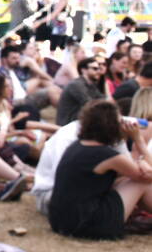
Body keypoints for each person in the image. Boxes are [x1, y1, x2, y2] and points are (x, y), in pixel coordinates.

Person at [49, 99, 152, 240]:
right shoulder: (108, 156)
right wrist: (138, 140)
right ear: (111, 126)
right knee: (141, 182)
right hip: (88, 223)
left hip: (61, 221)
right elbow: (147, 176)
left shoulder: (77, 146)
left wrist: (139, 164)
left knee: (126, 179)